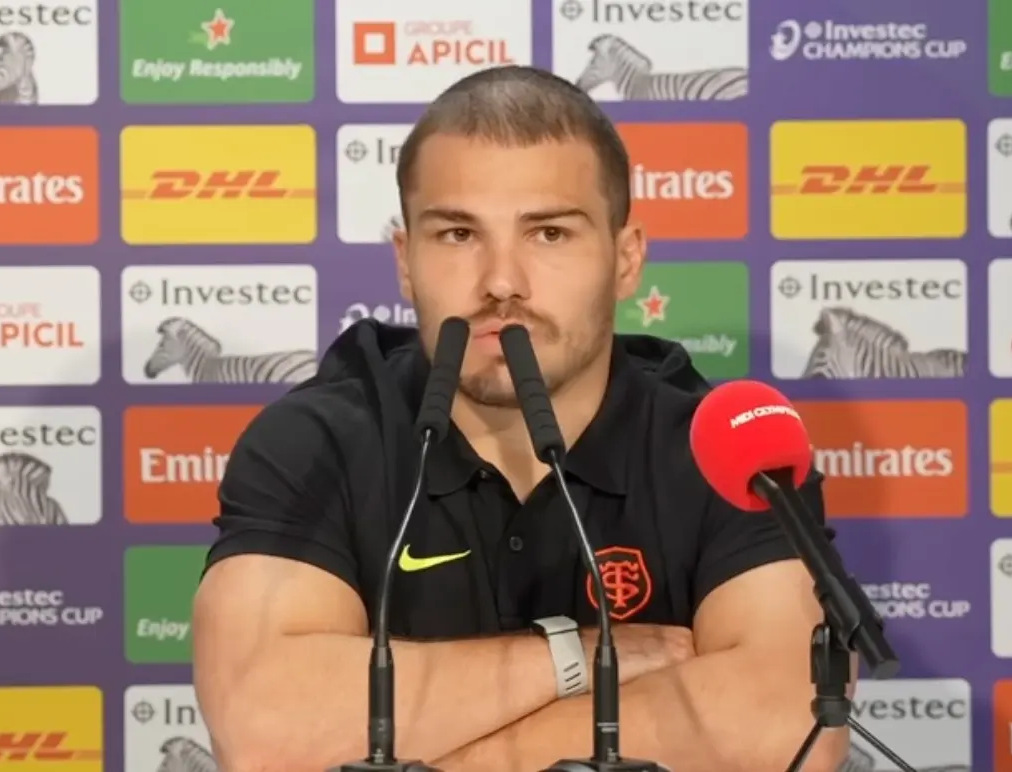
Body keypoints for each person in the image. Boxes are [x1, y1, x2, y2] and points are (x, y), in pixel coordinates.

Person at [192, 65, 851, 772]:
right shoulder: (316, 442)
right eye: (457, 234)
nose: (501, 281)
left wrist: (425, 756)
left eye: (550, 234)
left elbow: (789, 729)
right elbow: (266, 733)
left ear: (626, 259)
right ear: (406, 262)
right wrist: (575, 658)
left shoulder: (723, 452)